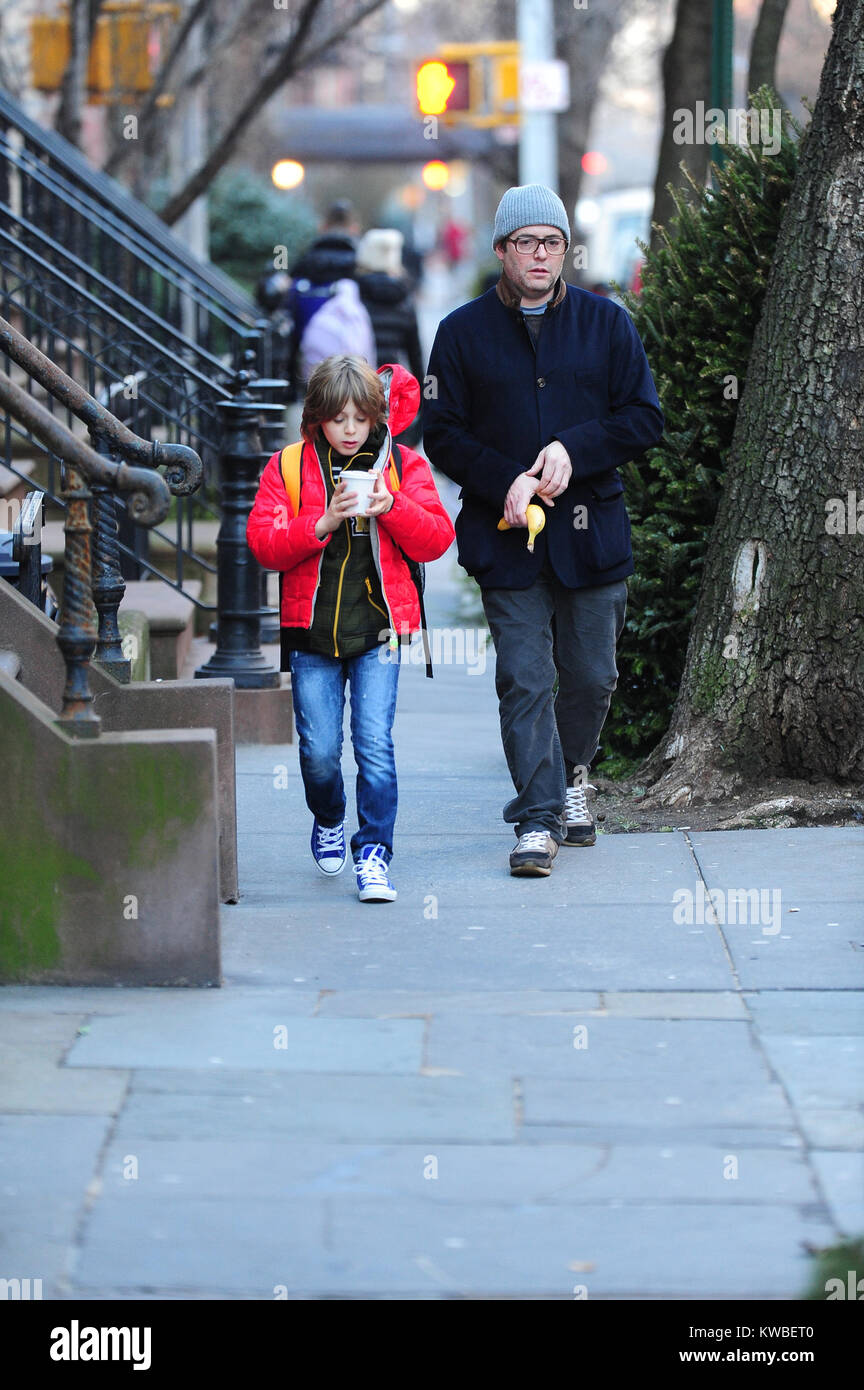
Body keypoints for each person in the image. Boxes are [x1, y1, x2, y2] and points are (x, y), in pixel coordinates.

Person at [423, 184, 664, 878]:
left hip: (591, 534)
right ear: (500, 250)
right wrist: (507, 479)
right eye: (525, 241)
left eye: (551, 241)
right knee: (525, 679)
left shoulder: (606, 323)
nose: (539, 254)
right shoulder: (462, 332)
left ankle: (574, 776)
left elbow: (643, 417)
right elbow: (441, 432)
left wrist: (572, 449)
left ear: (566, 249)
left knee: (591, 674)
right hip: (505, 537)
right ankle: (537, 819)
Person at [246, 355, 455, 902]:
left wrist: (392, 507)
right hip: (310, 633)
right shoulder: (288, 466)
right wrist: (322, 522)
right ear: (317, 416)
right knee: (318, 751)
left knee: (375, 747)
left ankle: (374, 855)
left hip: (380, 632)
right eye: (337, 418)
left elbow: (436, 538)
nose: (349, 429)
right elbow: (263, 544)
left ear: (376, 417)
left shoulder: (403, 466)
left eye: (360, 418)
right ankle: (330, 815)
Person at [355, 228, 424, 446]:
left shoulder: (354, 294)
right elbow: (415, 353)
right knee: (389, 451)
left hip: (356, 380)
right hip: (390, 385)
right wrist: (422, 399)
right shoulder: (404, 299)